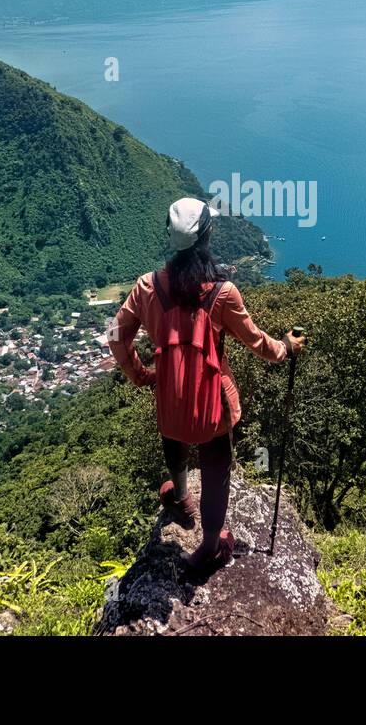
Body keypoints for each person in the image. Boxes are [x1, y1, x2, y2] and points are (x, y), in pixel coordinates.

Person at [110, 197, 304, 573]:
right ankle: (211, 547)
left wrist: (141, 376)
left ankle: (181, 497)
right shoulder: (223, 293)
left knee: (173, 436)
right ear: (207, 236)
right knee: (217, 465)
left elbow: (116, 336)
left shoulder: (147, 288)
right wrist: (287, 349)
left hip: (169, 395)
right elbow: (257, 343)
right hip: (213, 402)